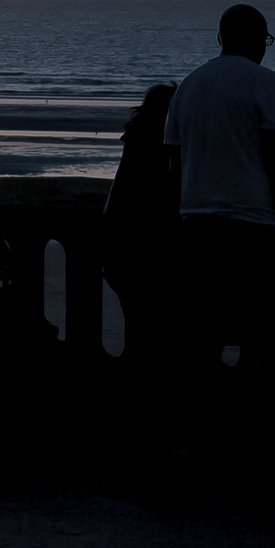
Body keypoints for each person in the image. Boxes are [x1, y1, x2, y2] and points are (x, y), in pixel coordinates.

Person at [164, 4, 275, 379]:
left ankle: (197, 427)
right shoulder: (266, 82)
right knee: (267, 341)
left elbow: (174, 169)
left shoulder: (189, 86)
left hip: (197, 227)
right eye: (266, 39)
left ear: (220, 38)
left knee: (202, 340)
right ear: (259, 39)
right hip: (254, 228)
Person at [102, 81, 179, 366]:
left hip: (123, 243)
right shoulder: (168, 142)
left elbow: (121, 187)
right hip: (144, 246)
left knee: (138, 323)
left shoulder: (136, 136)